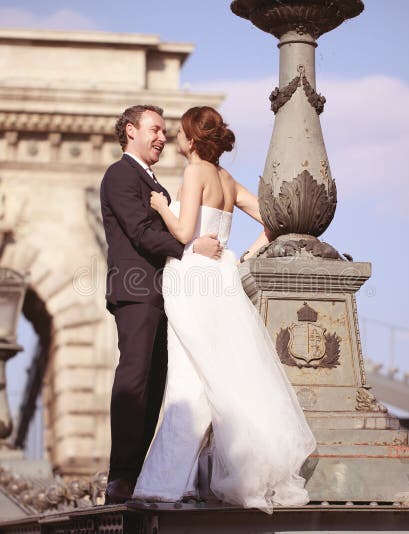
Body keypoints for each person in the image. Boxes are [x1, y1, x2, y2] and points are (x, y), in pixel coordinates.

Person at [132, 106, 317, 513]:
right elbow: (275, 221)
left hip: (191, 279)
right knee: (218, 374)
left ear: (192, 140)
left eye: (181, 132)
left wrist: (161, 206)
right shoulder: (227, 180)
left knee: (187, 378)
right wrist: (246, 255)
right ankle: (187, 480)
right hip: (222, 280)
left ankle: (165, 483)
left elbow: (183, 232)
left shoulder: (195, 173)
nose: (176, 138)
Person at [99, 104, 221, 504]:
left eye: (164, 131)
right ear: (130, 131)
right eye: (154, 129)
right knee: (134, 380)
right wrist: (190, 248)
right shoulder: (119, 174)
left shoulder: (152, 182)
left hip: (164, 295)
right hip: (137, 292)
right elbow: (139, 232)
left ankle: (136, 476)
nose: (161, 137)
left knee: (154, 386)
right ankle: (120, 476)